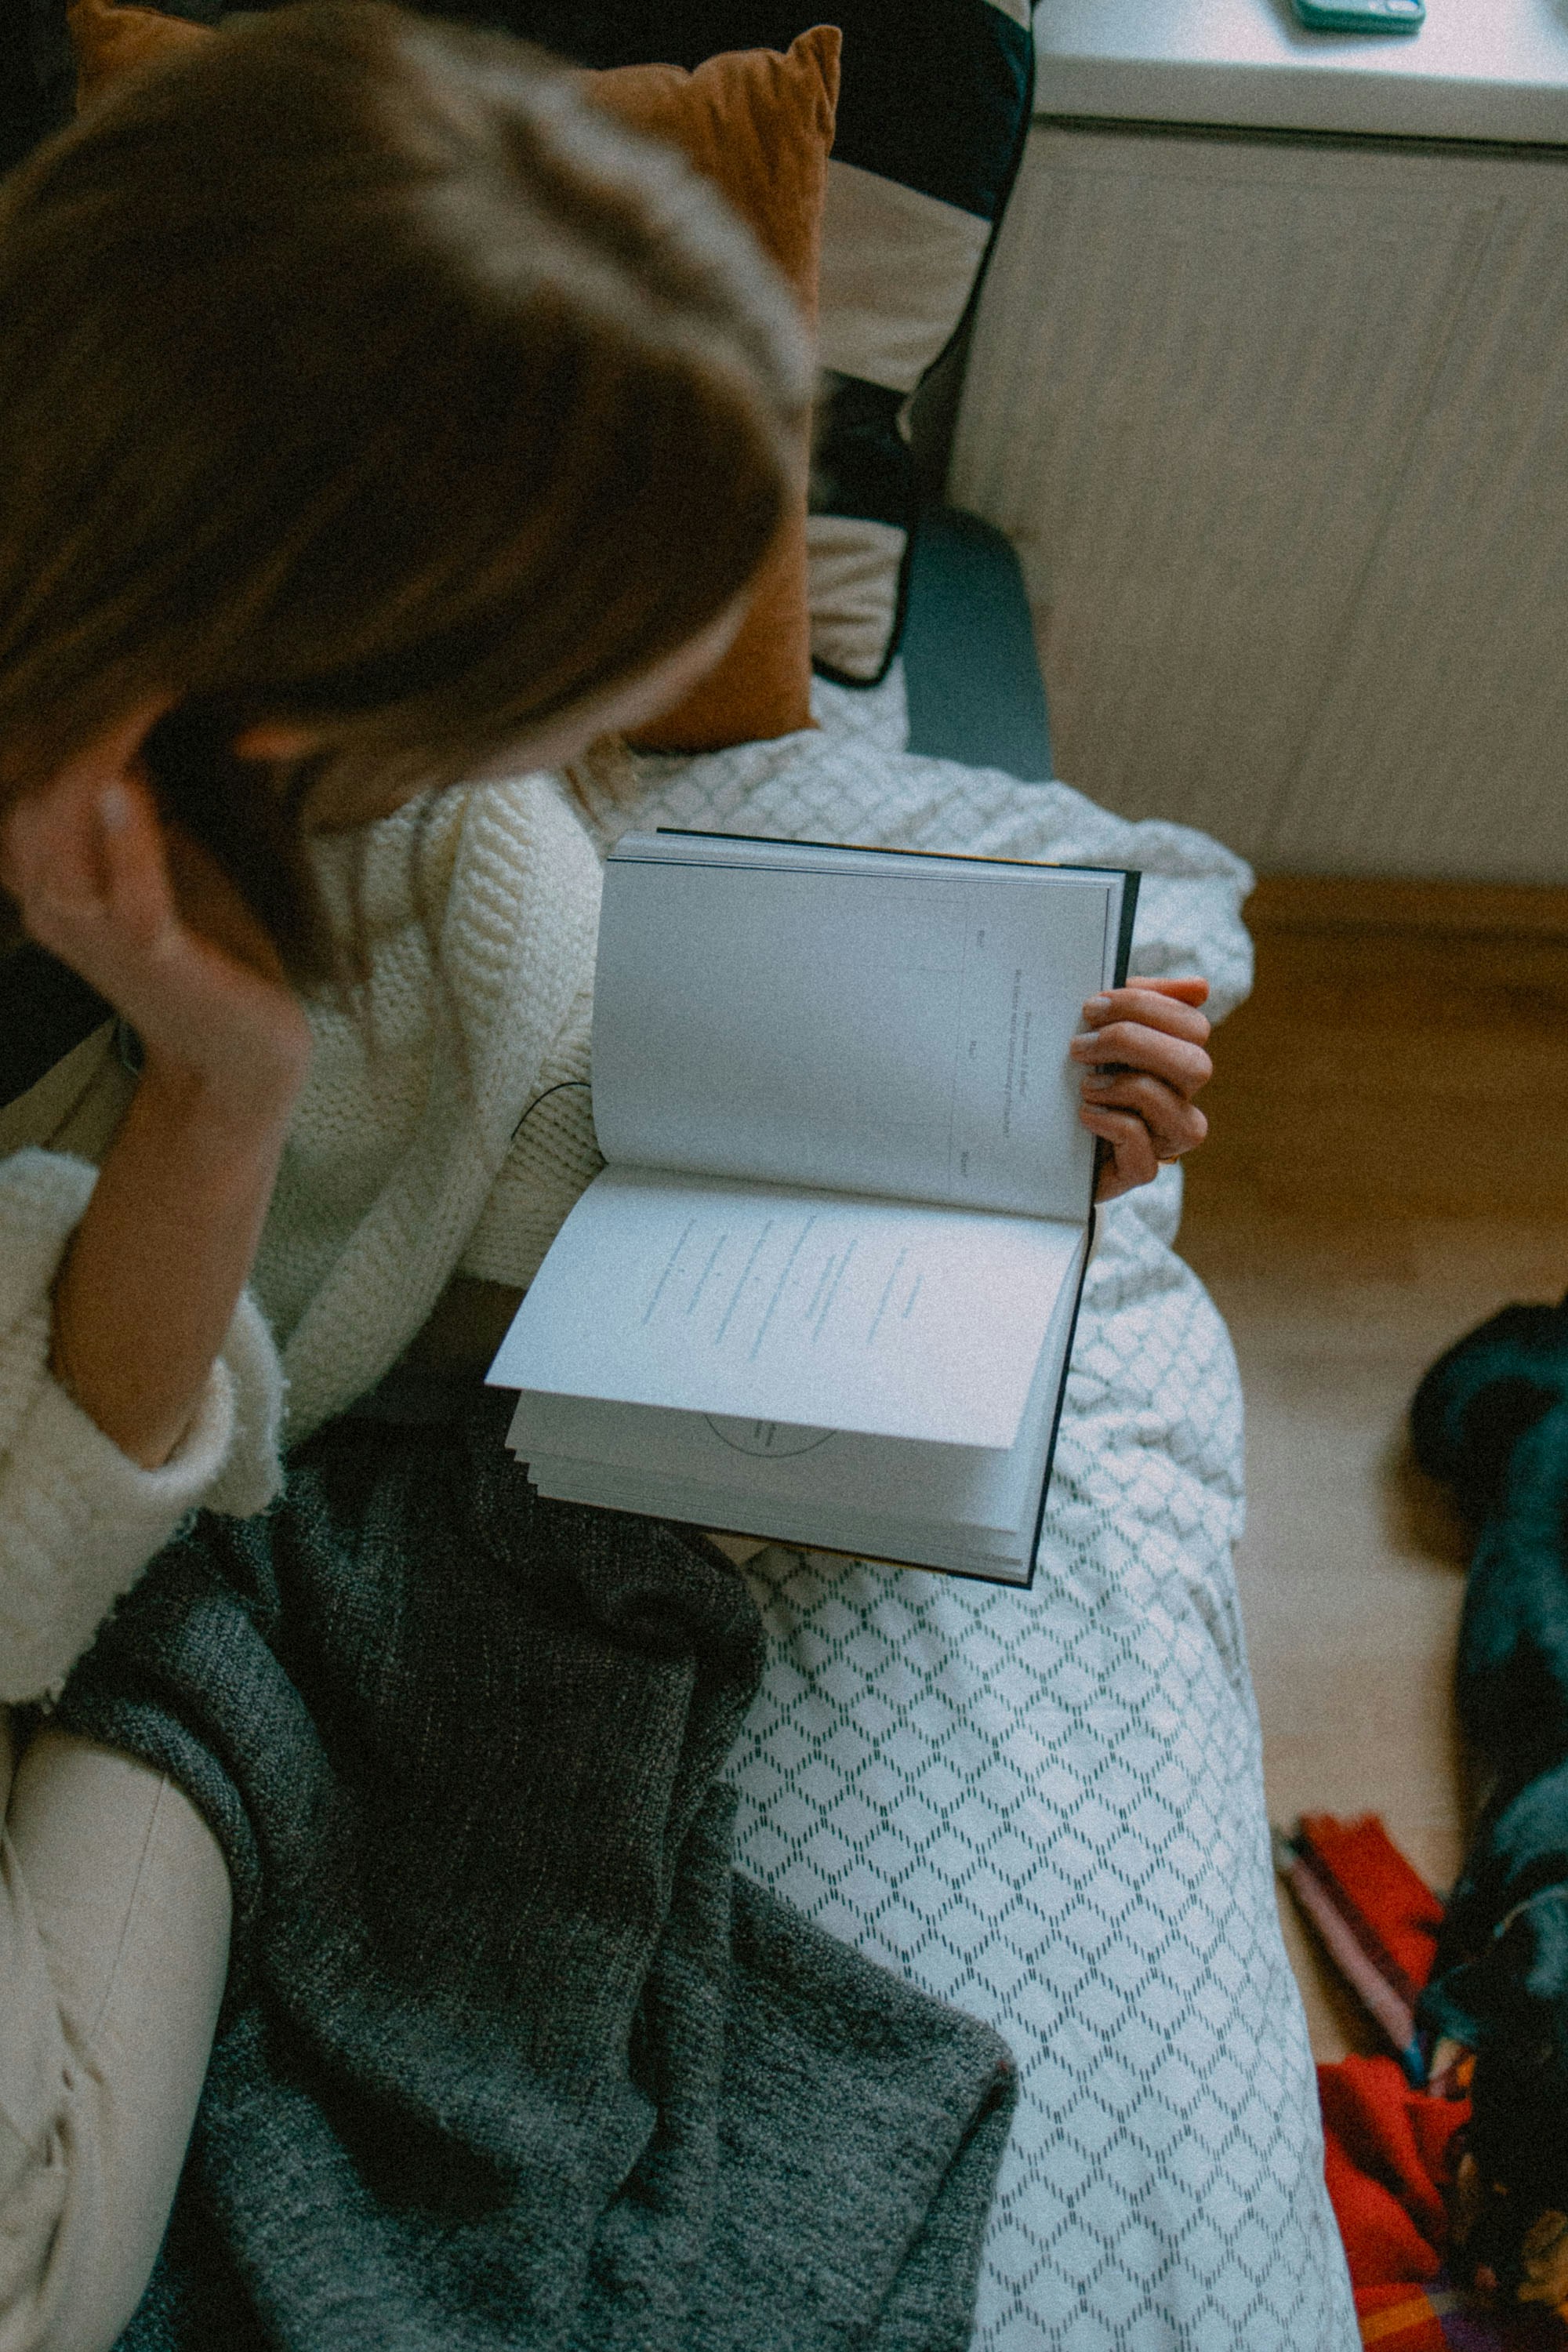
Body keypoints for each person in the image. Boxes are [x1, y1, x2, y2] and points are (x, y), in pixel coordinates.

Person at [0, 5, 1219, 2344]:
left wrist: (1014, 1126)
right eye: (570, 689)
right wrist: (215, 1095)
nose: (600, 752)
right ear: (316, 682)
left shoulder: (442, 852)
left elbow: (576, 1162)